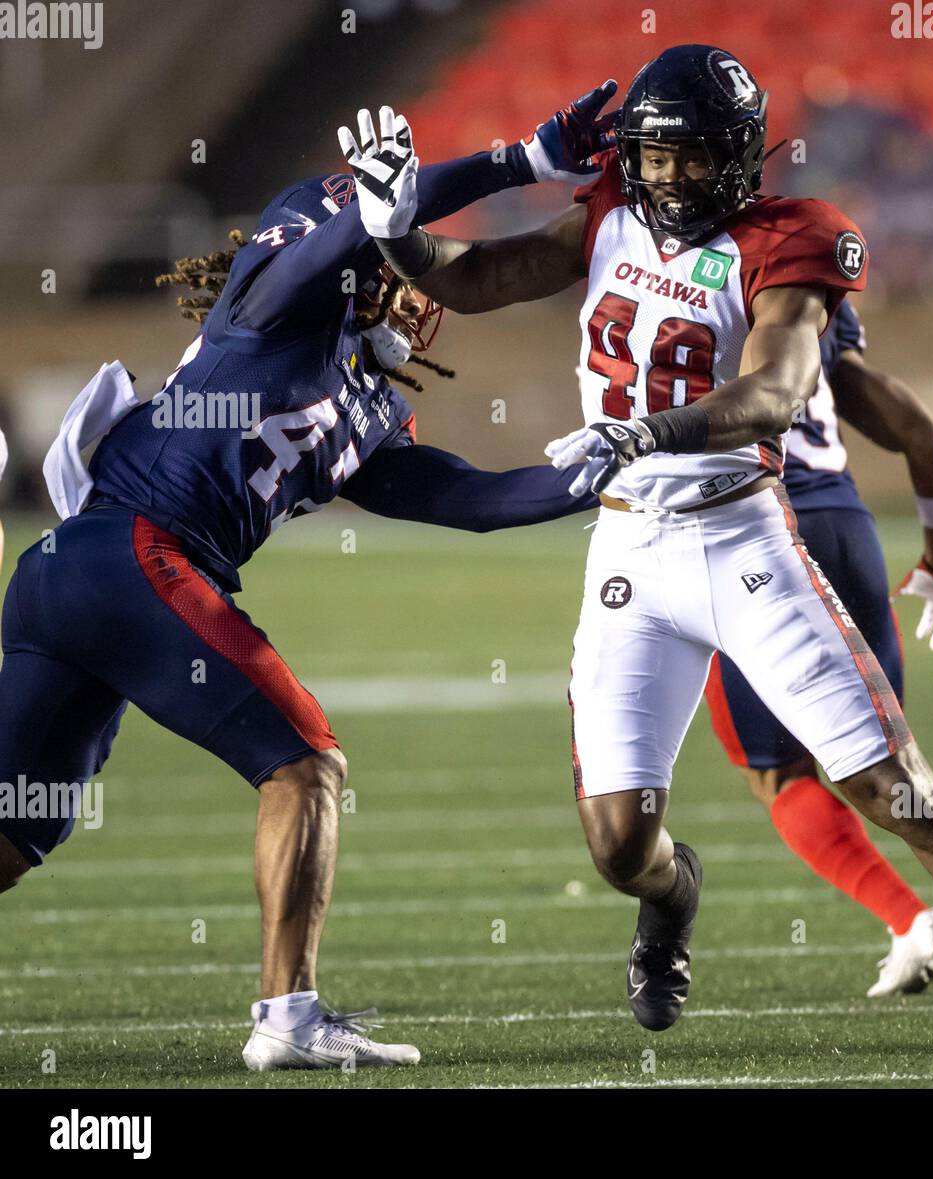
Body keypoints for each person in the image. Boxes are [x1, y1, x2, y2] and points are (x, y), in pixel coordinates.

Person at [368, 45, 933, 1054]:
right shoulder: (610, 207)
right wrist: (390, 228)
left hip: (742, 538)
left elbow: (775, 394)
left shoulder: (793, 240)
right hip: (628, 554)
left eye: (688, 161)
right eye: (653, 159)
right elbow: (480, 278)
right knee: (618, 845)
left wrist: (647, 432)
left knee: (898, 790)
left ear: (739, 158)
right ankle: (673, 899)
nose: (666, 179)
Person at [0, 88, 613, 1071]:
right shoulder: (269, 316)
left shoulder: (364, 409)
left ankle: (290, 1014)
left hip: (68, 583)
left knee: (10, 837)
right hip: (136, 556)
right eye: (389, 248)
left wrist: (605, 467)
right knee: (305, 765)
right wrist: (521, 163)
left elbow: (473, 499)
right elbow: (332, 248)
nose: (422, 290)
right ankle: (287, 1018)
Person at [703, 296, 933, 997]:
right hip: (848, 533)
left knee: (779, 774)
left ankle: (912, 920)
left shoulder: (673, 268)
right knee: (895, 777)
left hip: (754, 534)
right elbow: (927, 438)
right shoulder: (801, 287)